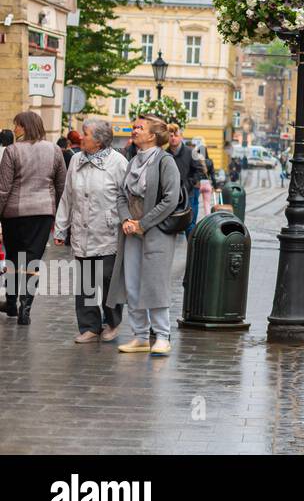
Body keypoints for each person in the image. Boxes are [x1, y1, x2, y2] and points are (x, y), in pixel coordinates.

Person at [110, 115, 182, 356]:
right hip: (131, 230)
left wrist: (143, 223)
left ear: (152, 135)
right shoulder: (133, 161)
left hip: (157, 232)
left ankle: (162, 336)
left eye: (139, 128)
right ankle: (140, 336)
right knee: (132, 283)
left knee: (155, 283)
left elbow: (170, 199)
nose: (134, 130)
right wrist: (126, 220)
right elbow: (121, 195)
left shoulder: (165, 161)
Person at [53, 120, 127, 343]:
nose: (81, 137)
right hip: (81, 230)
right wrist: (60, 228)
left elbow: (128, 198)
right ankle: (89, 326)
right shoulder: (76, 160)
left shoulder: (118, 163)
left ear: (99, 140)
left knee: (106, 279)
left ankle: (113, 322)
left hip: (107, 231)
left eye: (85, 134)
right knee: (85, 281)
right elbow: (67, 197)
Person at [0, 112, 66, 325]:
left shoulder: (12, 151)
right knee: (32, 260)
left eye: (17, 125)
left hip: (14, 213)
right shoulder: (54, 150)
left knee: (13, 257)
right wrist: (57, 213)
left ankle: (10, 303)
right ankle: (25, 308)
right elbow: (61, 185)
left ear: (24, 127)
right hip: (43, 212)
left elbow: (4, 188)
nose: (15, 128)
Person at [167, 125, 201, 233]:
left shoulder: (191, 152)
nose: (173, 138)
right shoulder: (165, 153)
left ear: (181, 137)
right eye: (171, 135)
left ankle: (192, 249)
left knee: (189, 226)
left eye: (176, 135)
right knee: (169, 227)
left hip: (188, 195)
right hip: (169, 196)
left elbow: (199, 170)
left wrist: (189, 183)